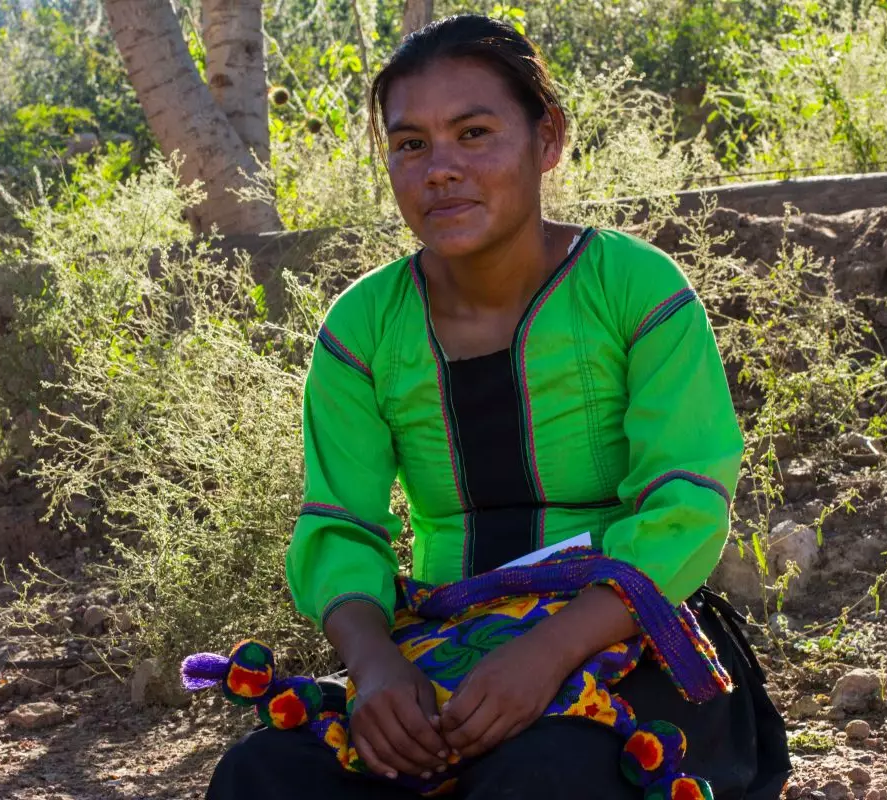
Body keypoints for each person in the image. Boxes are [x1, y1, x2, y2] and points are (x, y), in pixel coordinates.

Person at [207, 14, 790, 800]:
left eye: (474, 132)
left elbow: (685, 504)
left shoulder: (637, 290)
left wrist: (547, 652)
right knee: (263, 776)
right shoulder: (362, 328)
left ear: (547, 139)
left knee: (545, 777)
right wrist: (377, 667)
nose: (440, 169)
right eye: (411, 144)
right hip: (444, 651)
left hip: (628, 638)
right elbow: (338, 525)